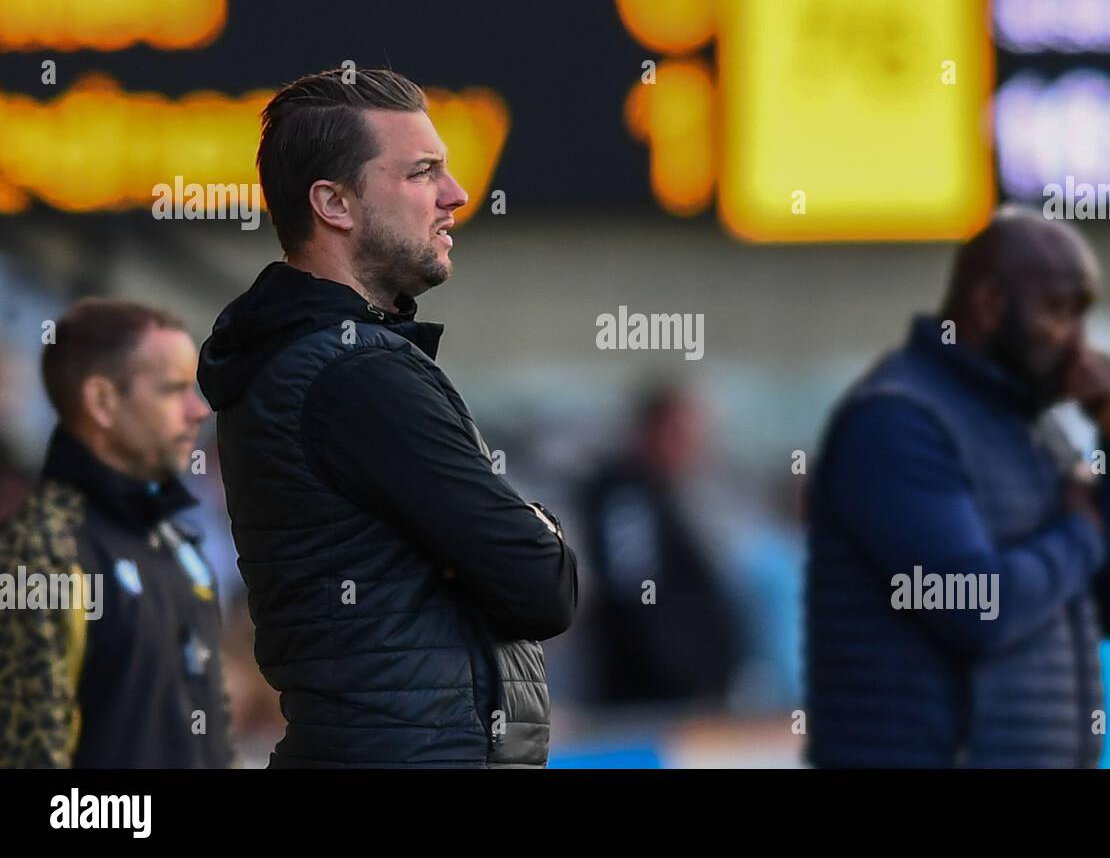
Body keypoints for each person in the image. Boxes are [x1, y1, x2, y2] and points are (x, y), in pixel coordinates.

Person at [197, 67, 578, 768]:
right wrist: (536, 526)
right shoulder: (357, 376)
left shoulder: (308, 361)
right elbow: (540, 585)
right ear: (334, 203)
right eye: (423, 172)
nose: (457, 195)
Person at [805, 206, 1110, 767]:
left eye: (1083, 317)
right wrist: (1080, 535)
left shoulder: (1036, 430)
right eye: (1058, 312)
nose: (1079, 345)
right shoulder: (896, 421)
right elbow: (975, 607)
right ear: (989, 305)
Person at [0, 299, 233, 768]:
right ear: (102, 402)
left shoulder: (173, 539)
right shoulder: (43, 549)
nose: (199, 411)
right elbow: (29, 752)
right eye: (174, 390)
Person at [578, 385, 743, 709]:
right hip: (651, 704)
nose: (691, 448)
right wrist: (682, 675)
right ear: (649, 431)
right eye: (679, 435)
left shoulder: (659, 495)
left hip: (679, 699)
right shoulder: (626, 498)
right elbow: (634, 594)